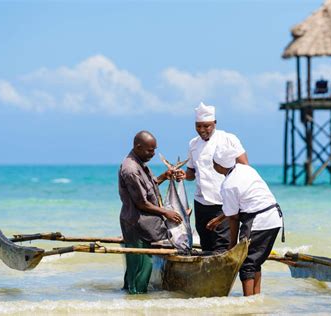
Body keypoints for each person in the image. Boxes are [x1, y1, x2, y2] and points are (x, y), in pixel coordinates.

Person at [212, 146, 284, 296]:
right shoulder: (246, 169)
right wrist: (219, 219)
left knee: (246, 264)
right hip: (274, 218)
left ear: (219, 166)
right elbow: (245, 202)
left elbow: (234, 218)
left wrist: (232, 246)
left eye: (214, 163)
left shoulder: (228, 185)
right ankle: (256, 299)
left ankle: (248, 302)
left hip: (258, 221)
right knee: (255, 262)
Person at [119, 130, 183, 294]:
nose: (153, 154)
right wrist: (166, 212)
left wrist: (164, 176)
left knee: (136, 265)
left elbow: (149, 187)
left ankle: (129, 298)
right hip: (136, 225)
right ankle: (136, 298)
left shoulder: (140, 164)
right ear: (138, 147)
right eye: (150, 150)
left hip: (145, 226)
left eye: (154, 150)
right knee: (141, 266)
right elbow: (141, 203)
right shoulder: (131, 169)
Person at [181, 102, 248, 253]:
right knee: (206, 245)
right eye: (198, 126)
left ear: (215, 123)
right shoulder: (193, 144)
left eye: (207, 126)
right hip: (201, 203)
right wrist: (182, 175)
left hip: (223, 202)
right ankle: (207, 274)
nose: (202, 130)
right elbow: (191, 174)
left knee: (222, 245)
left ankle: (221, 274)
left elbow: (244, 166)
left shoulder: (229, 138)